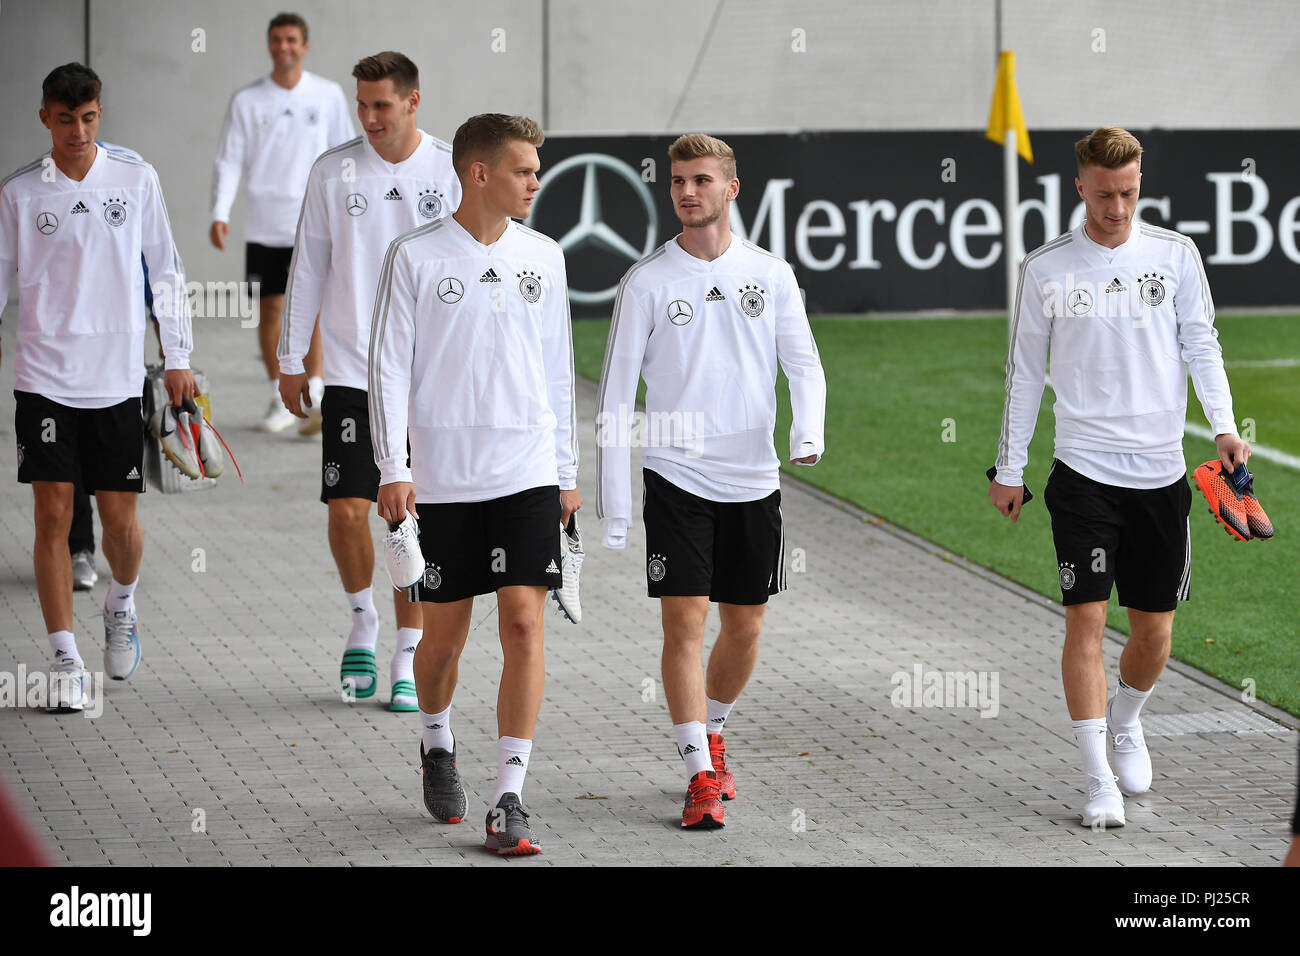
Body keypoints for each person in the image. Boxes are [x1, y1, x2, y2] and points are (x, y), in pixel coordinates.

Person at [989, 126, 1249, 829]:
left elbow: (1202, 344)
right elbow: (1025, 376)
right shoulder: (1046, 269)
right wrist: (1009, 468)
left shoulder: (1174, 255)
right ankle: (1098, 778)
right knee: (1086, 622)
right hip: (1083, 478)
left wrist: (1224, 426)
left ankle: (1126, 718)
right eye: (1104, 195)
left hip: (1161, 477)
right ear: (1079, 187)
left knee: (1155, 633)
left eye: (1129, 193)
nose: (1117, 208)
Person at [595, 134, 826, 829]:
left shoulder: (772, 274)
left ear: (731, 188)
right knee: (684, 621)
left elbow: (805, 365)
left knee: (745, 626)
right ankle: (698, 771)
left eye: (701, 180)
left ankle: (715, 727)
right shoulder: (647, 282)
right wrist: (613, 512)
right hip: (675, 475)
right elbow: (613, 399)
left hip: (754, 479)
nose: (687, 192)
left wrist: (806, 433)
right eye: (676, 181)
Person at [370, 113, 578, 856]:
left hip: (525, 474)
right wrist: (393, 468)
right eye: (524, 169)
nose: (535, 181)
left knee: (523, 623)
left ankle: (510, 798)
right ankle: (435, 741)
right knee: (444, 639)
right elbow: (388, 368)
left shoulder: (545, 256)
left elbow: (558, 369)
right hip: (443, 482)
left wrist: (568, 474)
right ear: (479, 173)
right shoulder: (415, 256)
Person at [0, 63, 197, 711]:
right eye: (65, 120)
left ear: (99, 114)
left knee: (119, 522)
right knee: (53, 513)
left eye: (88, 119)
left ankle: (121, 604)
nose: (78, 131)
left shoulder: (136, 179)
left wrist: (178, 356)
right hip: (43, 379)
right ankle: (63, 660)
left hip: (115, 380)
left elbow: (165, 271)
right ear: (45, 118)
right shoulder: (21, 192)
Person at [277, 52, 459, 712]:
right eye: (362, 104)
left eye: (382, 105)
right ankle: (363, 619)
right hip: (354, 371)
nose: (369, 117)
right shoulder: (333, 170)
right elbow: (309, 268)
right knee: (348, 508)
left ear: (413, 101)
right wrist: (292, 357)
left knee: (413, 520)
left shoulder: (451, 168)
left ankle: (408, 655)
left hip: (432, 376)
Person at [209, 12, 352, 433]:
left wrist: (348, 210)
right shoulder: (247, 101)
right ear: (269, 44)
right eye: (277, 39)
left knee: (315, 309)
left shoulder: (327, 95)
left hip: (315, 220)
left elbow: (346, 153)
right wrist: (220, 211)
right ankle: (279, 394)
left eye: (292, 39)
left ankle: (317, 395)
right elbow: (229, 159)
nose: (284, 47)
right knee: (270, 308)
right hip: (264, 223)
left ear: (304, 45)